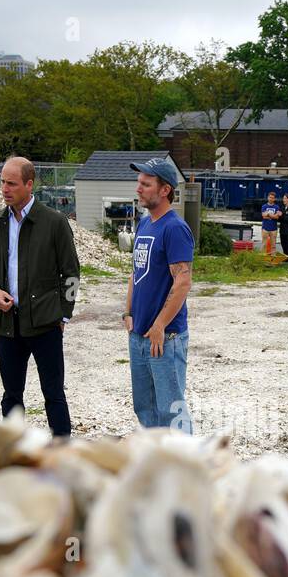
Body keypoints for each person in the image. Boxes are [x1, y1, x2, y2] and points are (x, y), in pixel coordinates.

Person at [0, 156, 81, 437]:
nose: (4, 188)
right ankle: (14, 452)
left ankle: (62, 451)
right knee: (11, 395)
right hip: (8, 325)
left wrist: (63, 314)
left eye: (11, 183)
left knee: (53, 393)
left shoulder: (55, 222)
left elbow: (71, 274)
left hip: (46, 324)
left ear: (29, 184)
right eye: (2, 182)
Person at [124, 157, 194, 433]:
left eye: (146, 184)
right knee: (145, 408)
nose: (138, 188)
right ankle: (158, 465)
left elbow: (183, 281)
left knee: (171, 410)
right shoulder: (145, 223)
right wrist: (128, 313)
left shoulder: (174, 228)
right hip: (139, 333)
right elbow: (135, 272)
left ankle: (189, 467)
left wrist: (160, 324)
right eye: (139, 182)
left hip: (165, 337)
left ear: (165, 190)